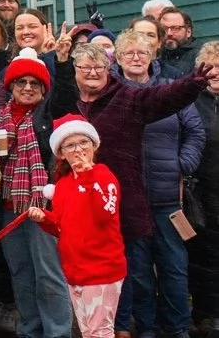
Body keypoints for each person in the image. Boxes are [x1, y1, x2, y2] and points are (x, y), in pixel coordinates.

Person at [46, 39, 210, 264]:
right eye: (85, 67)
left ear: (108, 69)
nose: (93, 72)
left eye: (99, 67)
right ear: (75, 71)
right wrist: (62, 61)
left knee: (135, 277)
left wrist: (191, 84)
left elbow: (163, 96)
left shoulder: (126, 98)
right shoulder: (66, 103)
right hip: (80, 204)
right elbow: (62, 91)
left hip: (124, 202)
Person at [113, 30, 205, 338]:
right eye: (129, 53)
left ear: (153, 55)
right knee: (138, 271)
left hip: (169, 196)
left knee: (174, 269)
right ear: (119, 58)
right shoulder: (113, 93)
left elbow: (194, 132)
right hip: (131, 198)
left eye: (142, 52)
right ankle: (147, 327)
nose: (136, 58)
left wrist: (183, 164)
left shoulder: (171, 89)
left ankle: (177, 327)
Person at [0, 51, 73, 338]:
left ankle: (58, 332)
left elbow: (65, 94)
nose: (27, 88)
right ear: (10, 86)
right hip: (9, 206)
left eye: (34, 84)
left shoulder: (49, 115)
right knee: (21, 274)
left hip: (43, 206)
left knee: (49, 275)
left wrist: (62, 63)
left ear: (43, 89)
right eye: (21, 82)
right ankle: (30, 330)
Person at [28, 118, 126, 338]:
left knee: (99, 331)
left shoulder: (103, 176)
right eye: (70, 145)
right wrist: (43, 218)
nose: (78, 150)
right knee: (88, 331)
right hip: (75, 270)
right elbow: (62, 227)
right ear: (60, 153)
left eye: (84, 143)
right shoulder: (62, 184)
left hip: (103, 269)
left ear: (94, 146)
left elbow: (104, 214)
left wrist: (88, 178)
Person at [187, 40, 219, 334]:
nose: (216, 72)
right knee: (205, 258)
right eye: (211, 66)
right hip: (202, 193)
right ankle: (206, 314)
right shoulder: (192, 102)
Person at [156, 10, 197, 79]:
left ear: (188, 32)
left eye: (176, 28)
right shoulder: (154, 55)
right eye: (164, 29)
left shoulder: (201, 55)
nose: (169, 33)